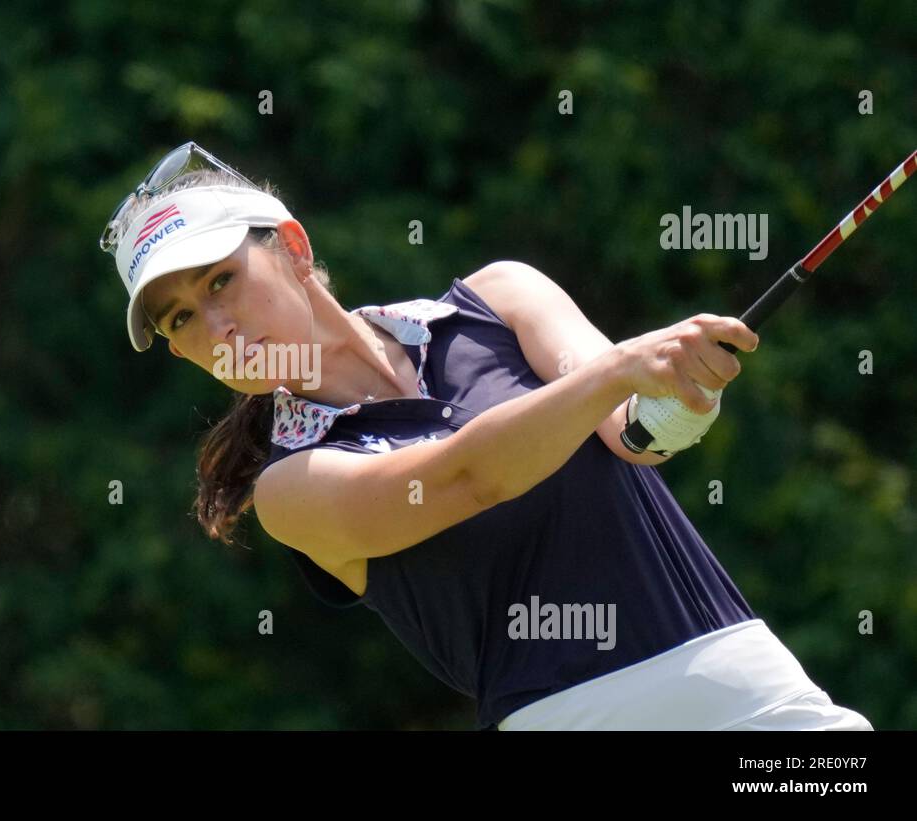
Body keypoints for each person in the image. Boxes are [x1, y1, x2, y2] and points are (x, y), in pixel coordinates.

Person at [98, 141, 874, 731]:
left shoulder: (497, 302)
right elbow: (471, 477)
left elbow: (635, 434)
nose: (216, 325)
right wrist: (617, 373)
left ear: (293, 249)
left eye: (219, 280)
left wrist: (683, 388)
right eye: (181, 319)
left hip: (754, 692)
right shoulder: (290, 488)